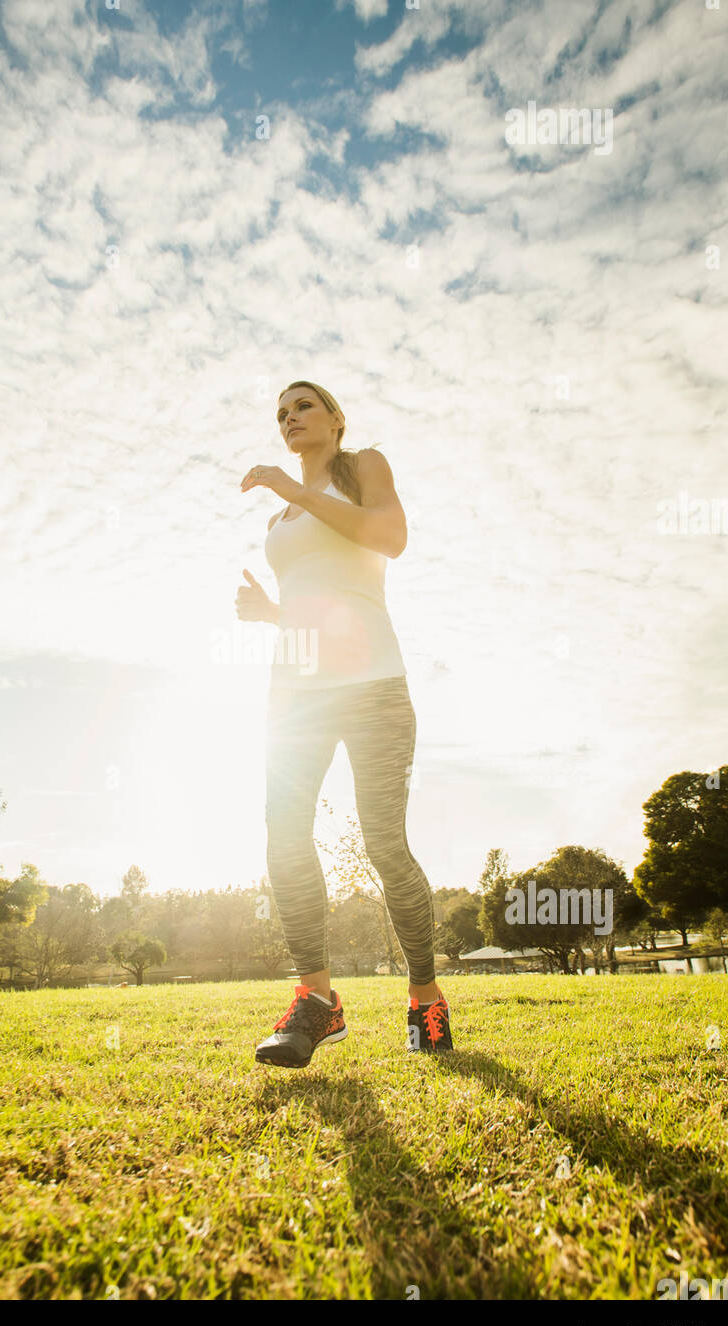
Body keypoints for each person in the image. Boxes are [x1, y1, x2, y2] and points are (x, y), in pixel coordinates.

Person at [236, 380, 453, 1067]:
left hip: (373, 685)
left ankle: (425, 996)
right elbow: (319, 599)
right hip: (295, 687)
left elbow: (389, 539)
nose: (289, 418)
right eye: (280, 414)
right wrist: (270, 613)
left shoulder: (363, 470)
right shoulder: (277, 526)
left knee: (385, 842)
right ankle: (317, 1001)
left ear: (333, 417)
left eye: (302, 405)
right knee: (284, 834)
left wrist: (295, 491)